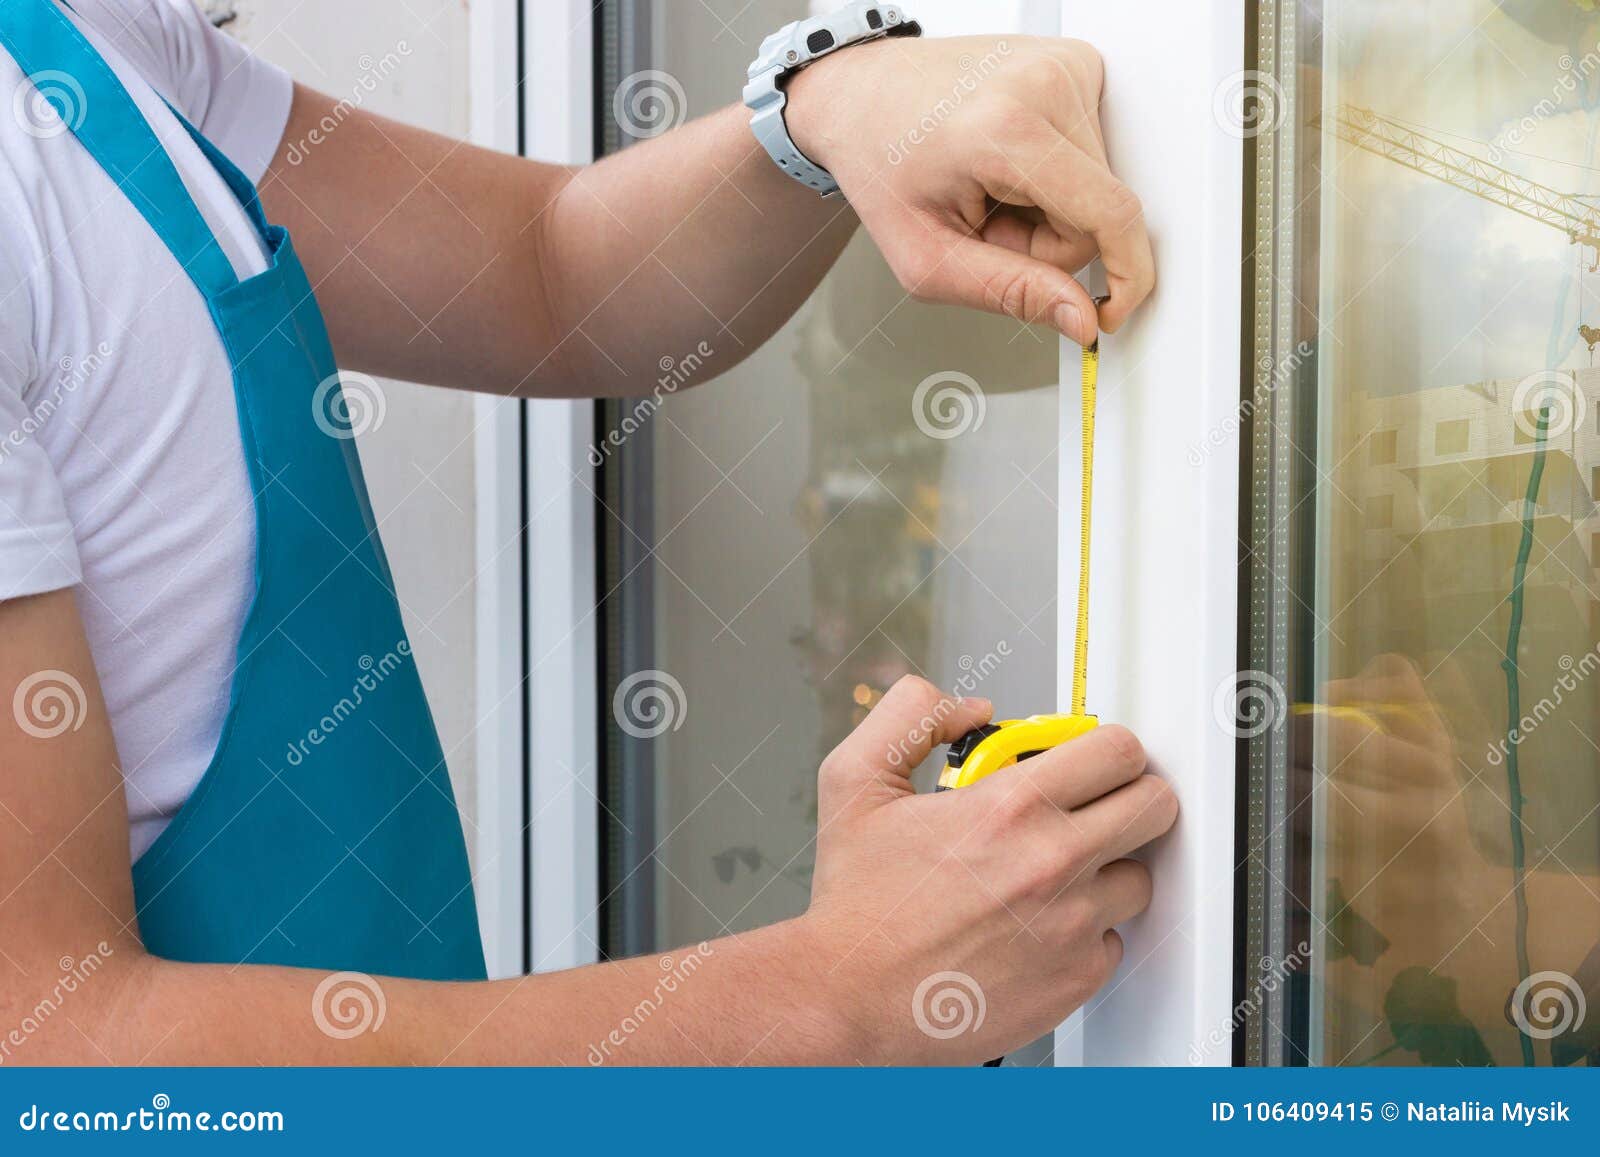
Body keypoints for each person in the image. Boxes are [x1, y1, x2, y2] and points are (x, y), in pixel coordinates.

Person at [0, 0, 1169, 1065]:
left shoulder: (89, 42)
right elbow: (48, 1050)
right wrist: (840, 990)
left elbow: (547, 270)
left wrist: (829, 110)